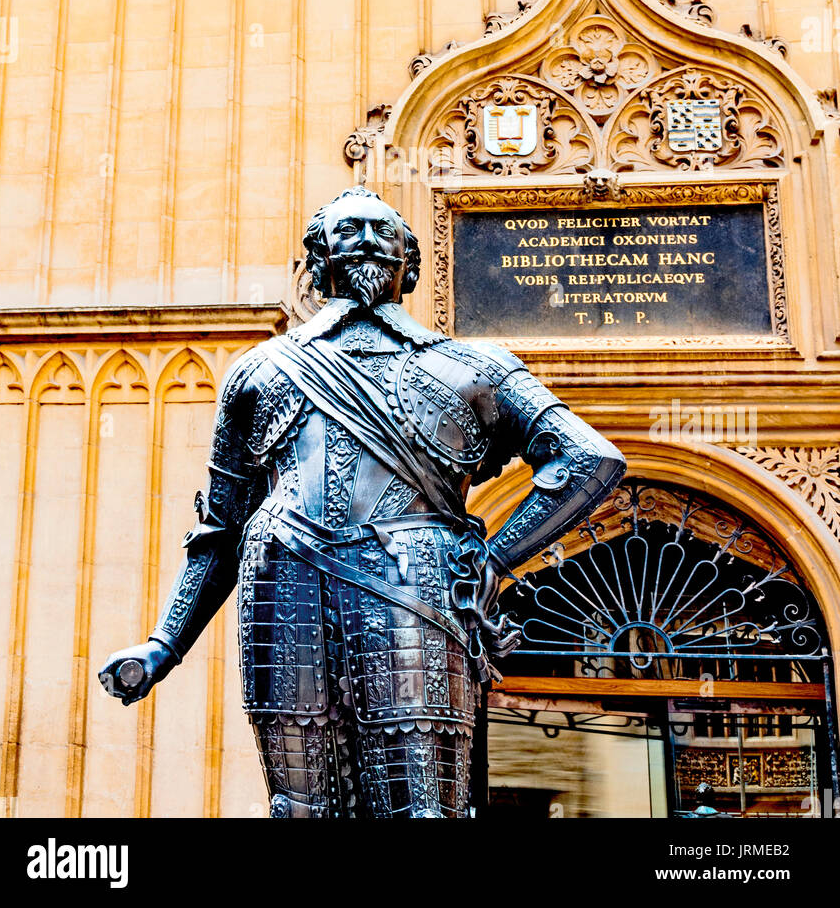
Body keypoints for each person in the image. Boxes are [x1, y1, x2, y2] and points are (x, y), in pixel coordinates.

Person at [100, 187, 625, 818]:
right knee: (298, 805)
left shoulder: (474, 366)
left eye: (384, 232)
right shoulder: (260, 370)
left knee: (419, 799)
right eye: (348, 231)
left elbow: (589, 461)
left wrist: (493, 555)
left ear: (410, 262)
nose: (368, 241)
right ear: (317, 263)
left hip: (414, 579)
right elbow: (219, 529)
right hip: (284, 582)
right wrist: (163, 643)